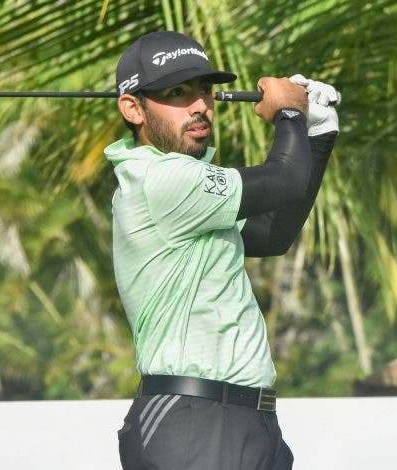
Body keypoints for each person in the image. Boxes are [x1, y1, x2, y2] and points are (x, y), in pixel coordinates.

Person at [104, 31, 340, 469]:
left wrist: (317, 133)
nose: (199, 106)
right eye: (177, 93)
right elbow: (284, 177)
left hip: (246, 420)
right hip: (192, 421)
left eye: (205, 90)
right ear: (133, 108)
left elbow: (272, 235)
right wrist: (289, 112)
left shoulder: (189, 187)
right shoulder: (160, 178)